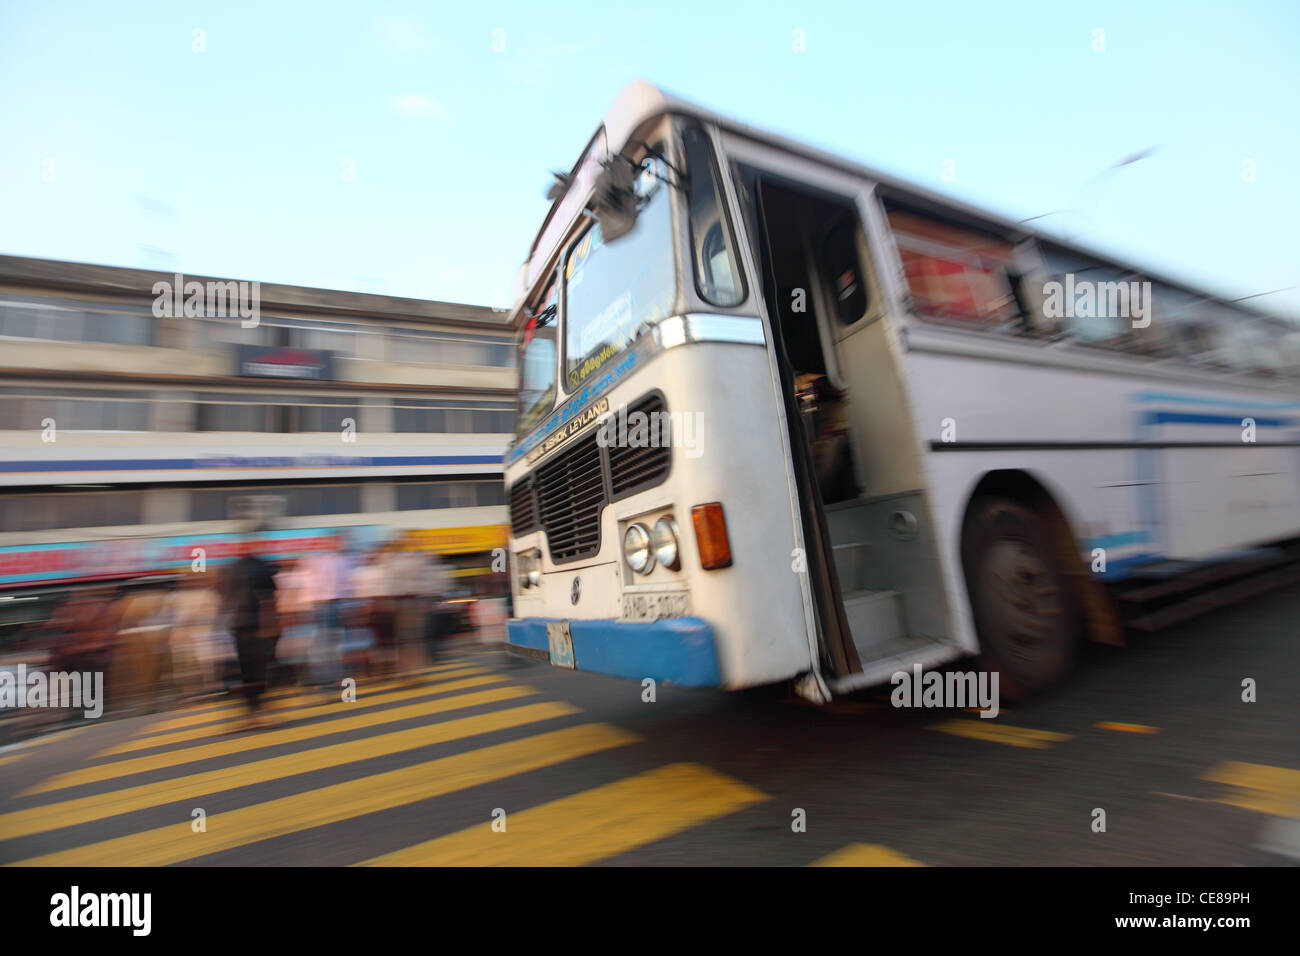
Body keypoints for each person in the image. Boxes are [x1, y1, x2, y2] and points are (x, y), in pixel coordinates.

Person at [219, 530, 280, 729]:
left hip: (241, 625)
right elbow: (271, 597)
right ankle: (256, 710)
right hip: (254, 625)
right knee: (257, 668)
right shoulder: (261, 566)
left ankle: (254, 711)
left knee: (248, 669)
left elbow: (224, 597)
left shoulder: (232, 568)